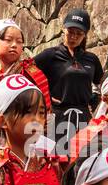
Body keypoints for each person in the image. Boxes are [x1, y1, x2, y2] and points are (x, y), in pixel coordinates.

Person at [35, 8, 103, 156]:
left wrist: (94, 99)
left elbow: (100, 83)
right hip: (56, 117)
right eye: (70, 31)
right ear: (63, 29)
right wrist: (44, 98)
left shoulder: (91, 59)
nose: (73, 37)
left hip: (83, 118)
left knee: (83, 158)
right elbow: (28, 76)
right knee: (54, 160)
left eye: (79, 33)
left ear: (85, 35)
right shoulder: (50, 55)